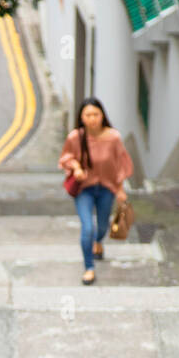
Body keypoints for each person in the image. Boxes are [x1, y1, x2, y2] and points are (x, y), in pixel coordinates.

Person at [58, 98, 134, 284]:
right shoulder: (76, 137)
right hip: (85, 189)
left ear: (102, 115)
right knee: (87, 228)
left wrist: (120, 189)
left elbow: (119, 164)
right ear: (81, 117)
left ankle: (98, 242)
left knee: (101, 227)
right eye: (88, 115)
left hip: (107, 188)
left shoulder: (113, 137)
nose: (92, 119)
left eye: (95, 114)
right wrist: (75, 166)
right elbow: (66, 157)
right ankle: (89, 267)